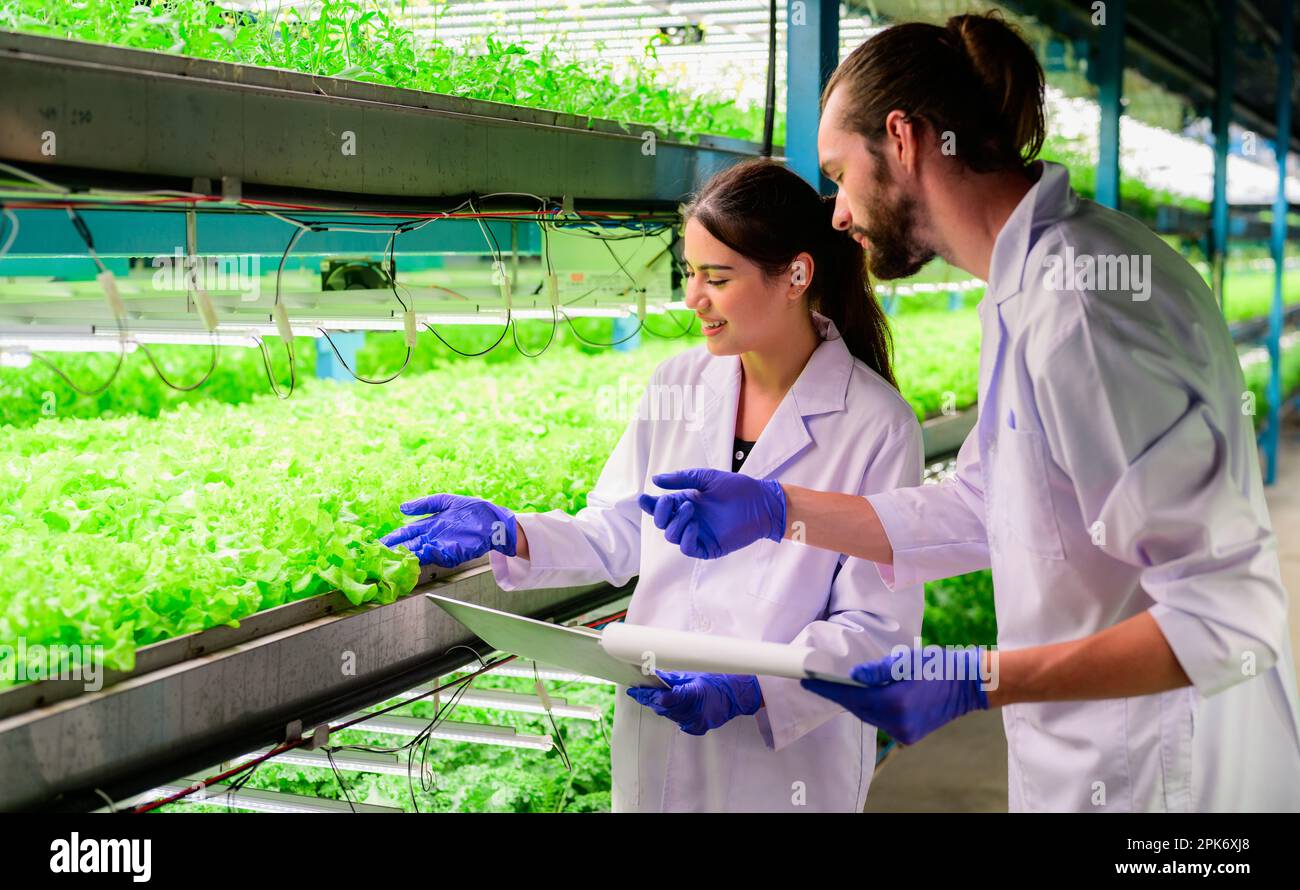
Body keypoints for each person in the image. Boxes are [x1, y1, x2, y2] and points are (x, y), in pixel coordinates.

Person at [638, 12, 1300, 812]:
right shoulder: (1028, 287)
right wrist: (781, 510)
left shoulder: (1080, 307)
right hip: (1092, 761)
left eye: (841, 175)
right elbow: (986, 507)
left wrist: (981, 680)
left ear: (905, 140)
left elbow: (1229, 613)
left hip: (1167, 782)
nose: (839, 213)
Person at [381, 159, 924, 812]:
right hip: (659, 721)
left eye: (717, 278)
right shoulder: (680, 384)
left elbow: (878, 628)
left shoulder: (875, 425)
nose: (694, 298)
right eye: (690, 274)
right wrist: (511, 530)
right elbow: (620, 528)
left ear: (796, 275)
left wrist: (752, 687)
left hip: (788, 759)